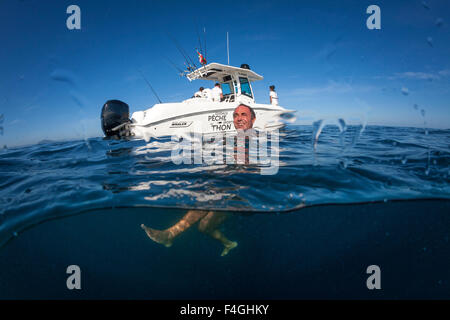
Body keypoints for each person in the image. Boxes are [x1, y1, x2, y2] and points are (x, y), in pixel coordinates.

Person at [141, 104, 256, 256]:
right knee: (203, 227)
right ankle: (229, 243)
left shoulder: (257, 140)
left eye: (243, 114)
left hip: (245, 197)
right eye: (235, 115)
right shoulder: (232, 140)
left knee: (207, 197)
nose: (239, 118)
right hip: (229, 189)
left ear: (253, 119)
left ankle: (168, 235)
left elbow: (252, 170)